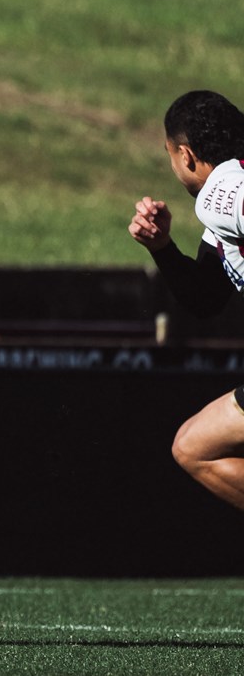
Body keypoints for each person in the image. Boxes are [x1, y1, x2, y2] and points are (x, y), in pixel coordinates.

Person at [129, 89, 244, 511]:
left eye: (169, 155)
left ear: (187, 155)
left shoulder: (223, 192)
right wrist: (162, 248)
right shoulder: (223, 216)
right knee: (193, 445)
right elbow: (205, 300)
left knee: (195, 448)